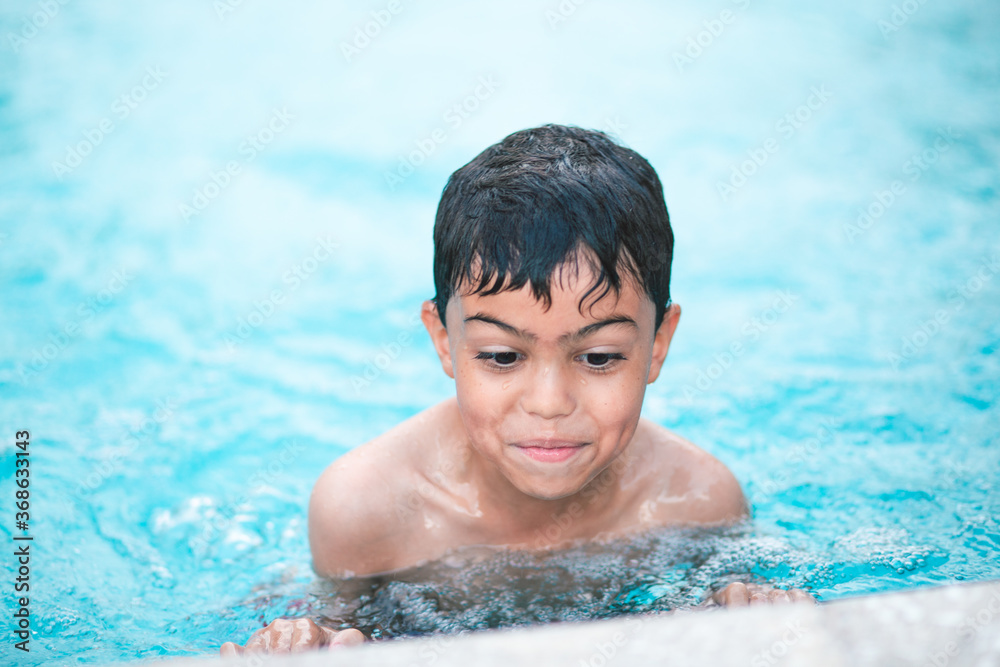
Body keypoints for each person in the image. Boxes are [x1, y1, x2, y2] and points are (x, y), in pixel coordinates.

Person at [220, 124, 812, 657]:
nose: (549, 403)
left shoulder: (696, 500)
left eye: (599, 357)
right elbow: (337, 630)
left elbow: (722, 617)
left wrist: (747, 610)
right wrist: (307, 640)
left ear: (658, 344)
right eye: (502, 356)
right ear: (445, 342)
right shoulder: (365, 509)